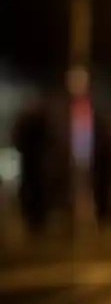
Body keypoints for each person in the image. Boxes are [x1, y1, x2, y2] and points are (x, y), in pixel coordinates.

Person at [11, 95, 52, 236]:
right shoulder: (39, 122)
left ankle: (36, 223)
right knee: (35, 193)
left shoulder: (30, 122)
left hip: (33, 166)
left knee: (34, 193)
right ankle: (37, 223)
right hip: (35, 166)